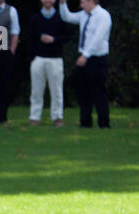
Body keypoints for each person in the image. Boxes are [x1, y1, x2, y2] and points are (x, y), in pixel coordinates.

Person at [58, 0, 112, 129]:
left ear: (91, 1)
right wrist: (62, 4)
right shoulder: (84, 15)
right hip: (84, 58)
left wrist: (86, 55)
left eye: (83, 2)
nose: (81, 5)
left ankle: (104, 123)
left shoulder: (103, 16)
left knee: (99, 92)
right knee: (83, 92)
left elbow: (98, 38)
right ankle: (85, 122)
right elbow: (67, 17)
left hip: (97, 59)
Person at [29, 0, 69, 126]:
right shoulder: (35, 18)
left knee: (56, 90)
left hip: (55, 58)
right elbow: (29, 37)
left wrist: (54, 39)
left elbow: (67, 36)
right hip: (38, 58)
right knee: (36, 90)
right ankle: (35, 117)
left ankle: (57, 117)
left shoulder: (61, 17)